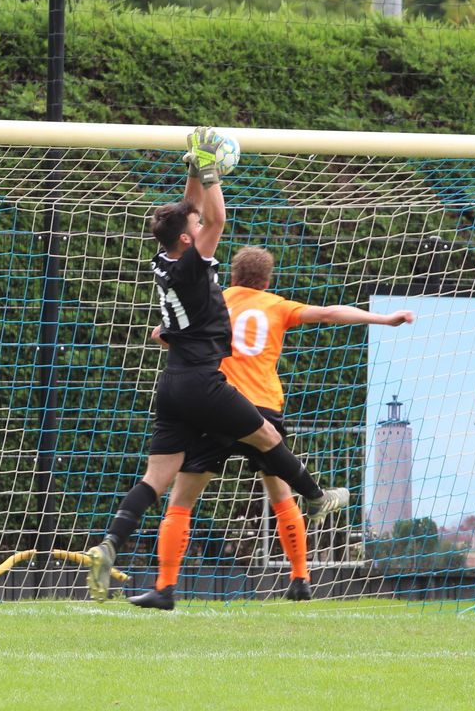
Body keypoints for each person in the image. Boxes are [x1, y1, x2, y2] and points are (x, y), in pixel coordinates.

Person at [85, 128, 350, 602]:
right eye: (195, 227)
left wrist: (193, 165)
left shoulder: (165, 260)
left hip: (171, 387)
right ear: (189, 238)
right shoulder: (191, 266)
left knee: (157, 479)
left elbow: (192, 213)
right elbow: (218, 217)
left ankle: (110, 544)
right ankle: (316, 498)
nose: (200, 222)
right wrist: (210, 170)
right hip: (204, 383)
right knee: (269, 439)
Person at [129, 246, 415, 609]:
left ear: (232, 276)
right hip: (263, 408)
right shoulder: (277, 305)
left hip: (217, 405)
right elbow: (328, 313)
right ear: (266, 280)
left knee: (182, 500)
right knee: (280, 494)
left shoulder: (213, 300)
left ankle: (165, 587)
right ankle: (300, 578)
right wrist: (385, 319)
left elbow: (161, 334)